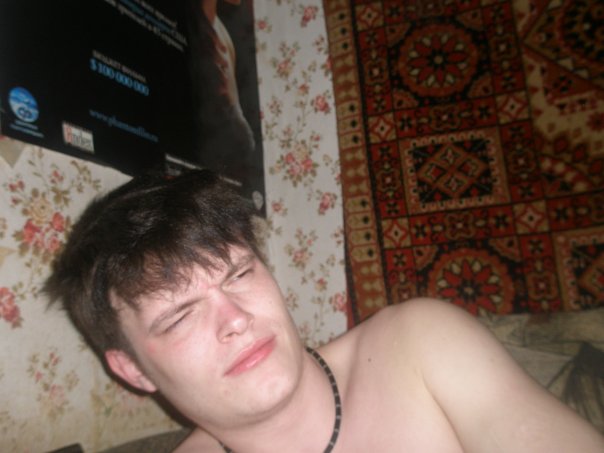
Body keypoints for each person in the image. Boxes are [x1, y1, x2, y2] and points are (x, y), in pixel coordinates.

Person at [44, 169, 604, 452]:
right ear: (132, 368)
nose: (235, 318)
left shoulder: (419, 346)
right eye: (180, 315)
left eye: (239, 275)